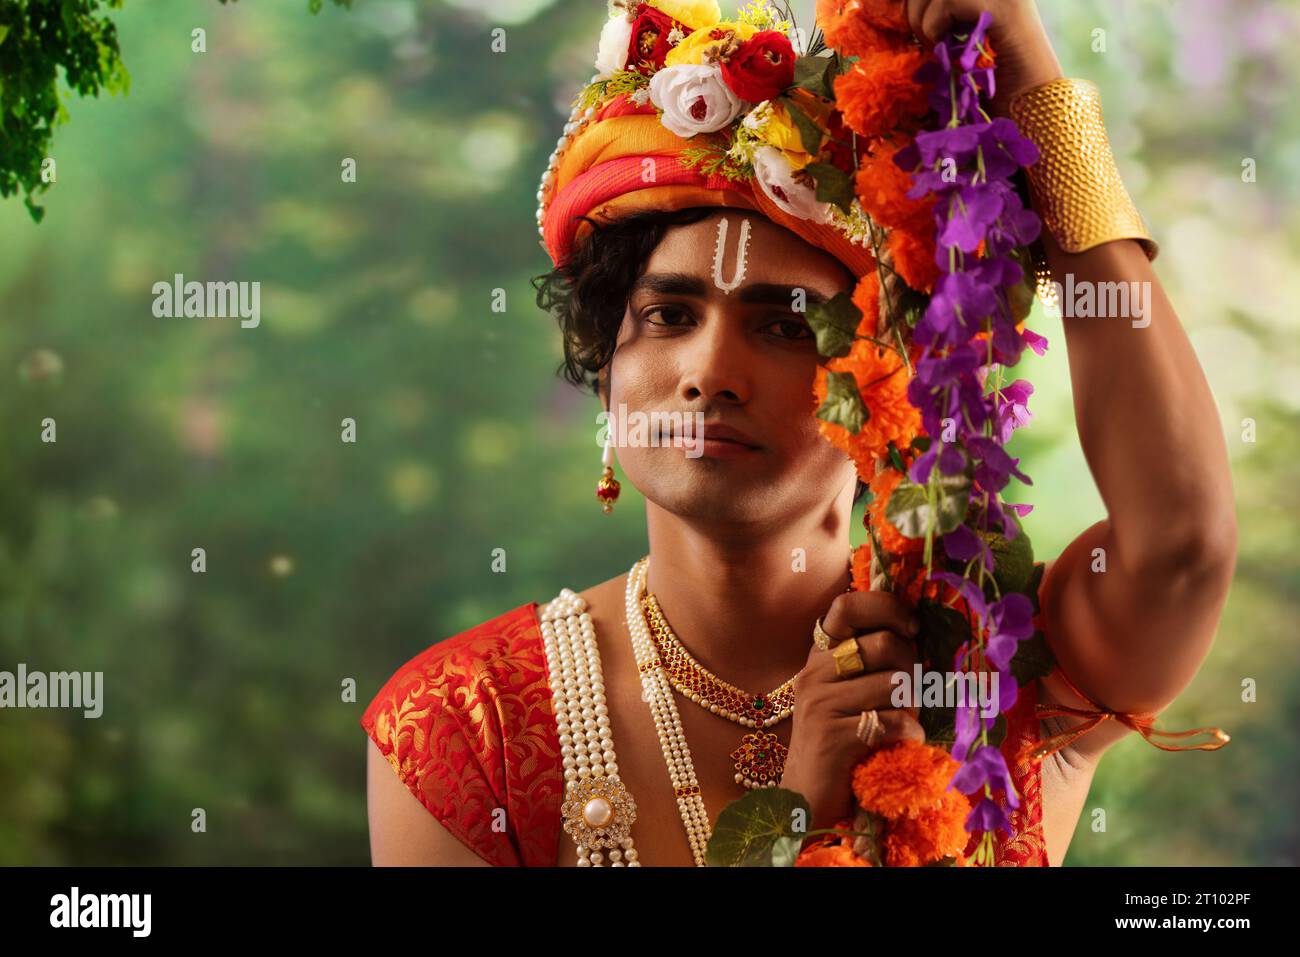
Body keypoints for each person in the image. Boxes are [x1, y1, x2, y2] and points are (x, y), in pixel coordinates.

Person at [362, 0, 1236, 867]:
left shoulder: (986, 680)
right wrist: (802, 811)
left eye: (784, 324)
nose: (709, 371)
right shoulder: (470, 723)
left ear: (889, 381)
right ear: (606, 370)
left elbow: (1181, 546)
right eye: (668, 314)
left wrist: (1032, 80)